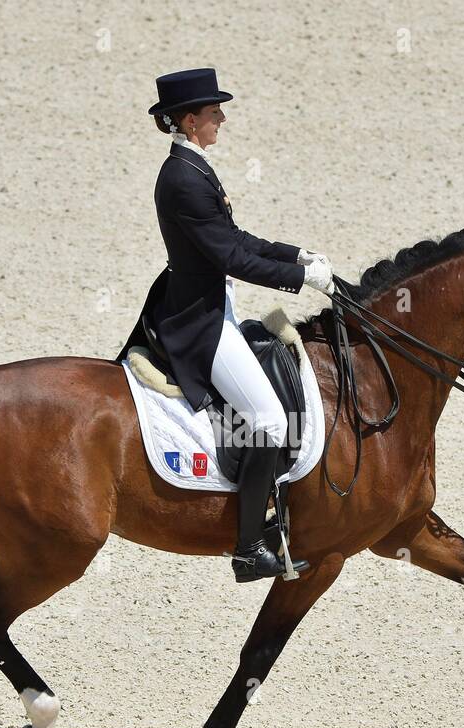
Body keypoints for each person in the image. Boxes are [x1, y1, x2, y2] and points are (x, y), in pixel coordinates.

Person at [140, 67, 335, 583]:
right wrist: (300, 279)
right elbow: (231, 256)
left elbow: (237, 236)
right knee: (270, 421)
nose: (221, 117)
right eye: (212, 111)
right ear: (188, 118)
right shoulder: (182, 178)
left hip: (213, 305)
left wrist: (297, 254)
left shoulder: (194, 167)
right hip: (199, 320)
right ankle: (250, 548)